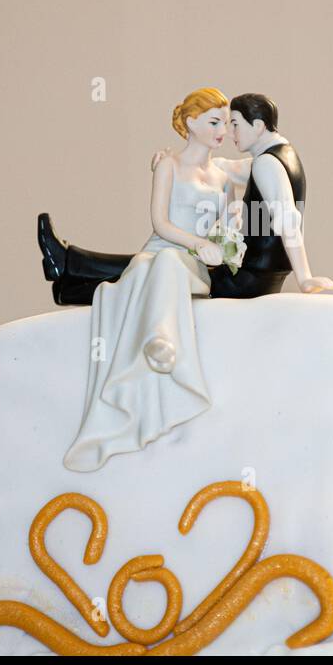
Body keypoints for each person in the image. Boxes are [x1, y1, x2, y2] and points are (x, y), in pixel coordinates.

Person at [60, 88, 235, 472]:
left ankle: (160, 341)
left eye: (225, 122)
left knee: (170, 266)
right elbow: (160, 223)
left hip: (190, 264)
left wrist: (224, 243)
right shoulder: (168, 165)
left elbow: (263, 170)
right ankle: (153, 349)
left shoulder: (224, 177)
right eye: (214, 122)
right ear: (190, 122)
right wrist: (196, 241)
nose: (223, 129)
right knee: (146, 268)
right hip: (162, 250)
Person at [39, 92, 333, 304]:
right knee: (156, 264)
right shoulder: (274, 158)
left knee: (159, 267)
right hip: (228, 263)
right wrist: (171, 164)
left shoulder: (261, 165)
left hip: (239, 274)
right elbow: (225, 172)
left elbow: (287, 219)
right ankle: (69, 285)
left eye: (233, 124)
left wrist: (305, 277)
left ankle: (69, 266)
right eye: (219, 123)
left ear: (257, 127)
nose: (229, 133)